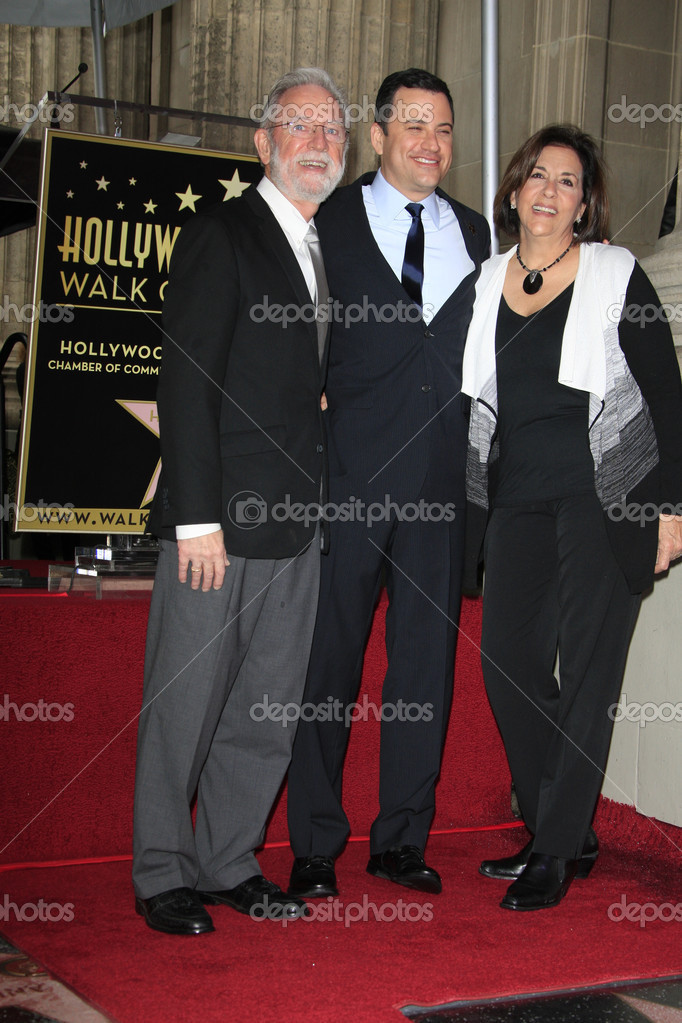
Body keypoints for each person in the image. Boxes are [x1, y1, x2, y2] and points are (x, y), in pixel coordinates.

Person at [132, 67, 348, 935]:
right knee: (184, 705)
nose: (318, 141)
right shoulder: (222, 232)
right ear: (264, 142)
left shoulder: (320, 249)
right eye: (300, 124)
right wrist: (195, 518)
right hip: (217, 526)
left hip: (297, 525)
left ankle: (228, 860)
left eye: (332, 128)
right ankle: (160, 870)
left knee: (267, 707)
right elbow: (185, 380)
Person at [461, 124, 682, 911]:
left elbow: (667, 396)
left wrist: (670, 510)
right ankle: (565, 825)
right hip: (515, 498)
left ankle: (554, 846)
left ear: (585, 204)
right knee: (506, 663)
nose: (550, 191)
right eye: (538, 176)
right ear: (515, 189)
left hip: (605, 496)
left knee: (588, 671)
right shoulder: (486, 282)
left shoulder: (616, 273)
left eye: (567, 181)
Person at [287, 68, 490, 899]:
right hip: (348, 476)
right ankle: (313, 842)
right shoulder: (326, 219)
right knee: (327, 659)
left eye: (442, 128)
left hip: (442, 482)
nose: (430, 143)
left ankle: (401, 838)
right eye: (413, 125)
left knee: (423, 667)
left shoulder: (477, 233)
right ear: (377, 137)